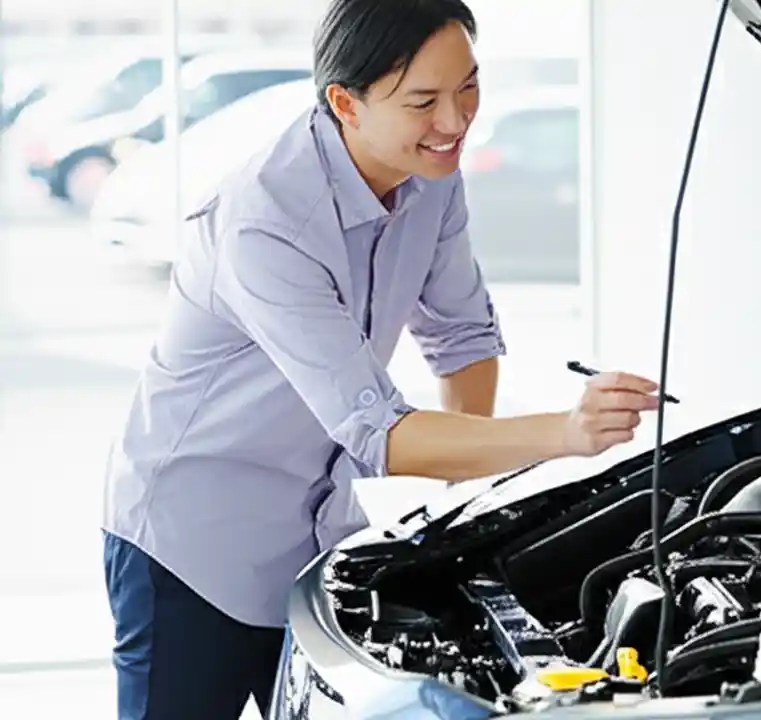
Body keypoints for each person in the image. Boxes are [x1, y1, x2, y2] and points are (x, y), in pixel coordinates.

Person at [100, 1, 659, 717]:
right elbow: (380, 431)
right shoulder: (265, 222)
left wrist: (464, 494)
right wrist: (566, 433)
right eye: (424, 101)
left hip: (314, 536)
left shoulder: (430, 171)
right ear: (345, 103)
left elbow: (461, 337)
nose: (456, 122)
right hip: (190, 545)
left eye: (468, 87)